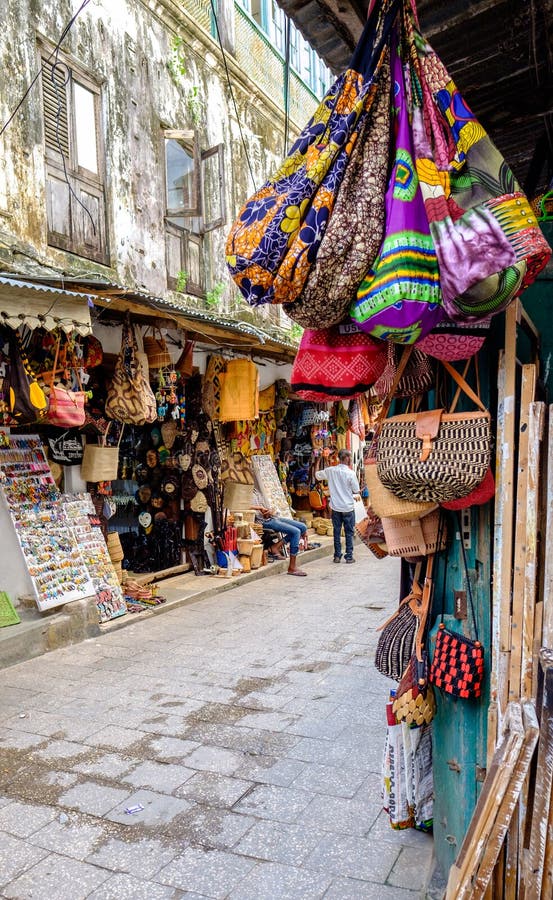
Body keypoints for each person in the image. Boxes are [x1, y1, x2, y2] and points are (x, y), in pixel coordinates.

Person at [316, 448, 360, 563]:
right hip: (348, 507)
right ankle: (349, 556)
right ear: (346, 458)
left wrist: (318, 461)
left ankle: (337, 556)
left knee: (336, 531)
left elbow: (317, 475)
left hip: (336, 507)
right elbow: (356, 490)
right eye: (349, 457)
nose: (350, 459)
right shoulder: (350, 473)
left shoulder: (331, 471)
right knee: (349, 532)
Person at [251, 489, 308, 576]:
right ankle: (292, 567)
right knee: (296, 532)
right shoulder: (243, 492)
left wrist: (268, 511)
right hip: (262, 522)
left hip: (270, 518)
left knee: (303, 527)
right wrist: (259, 508)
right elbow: (240, 507)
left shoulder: (256, 491)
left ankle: (275, 547)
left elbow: (264, 508)